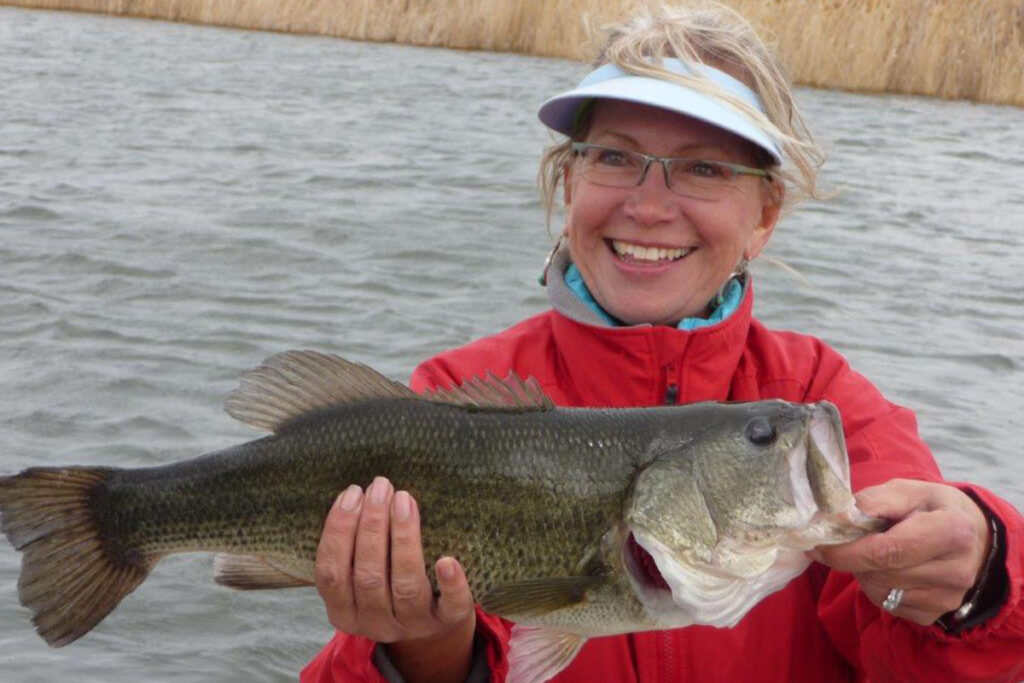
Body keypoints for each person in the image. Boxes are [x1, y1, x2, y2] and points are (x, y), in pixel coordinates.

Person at [301, 2, 1024, 682]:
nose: (647, 206)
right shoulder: (454, 398)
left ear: (764, 216)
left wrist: (981, 581)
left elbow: (922, 651)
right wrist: (421, 648)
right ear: (568, 179)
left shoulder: (817, 403)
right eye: (614, 157)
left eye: (704, 168)